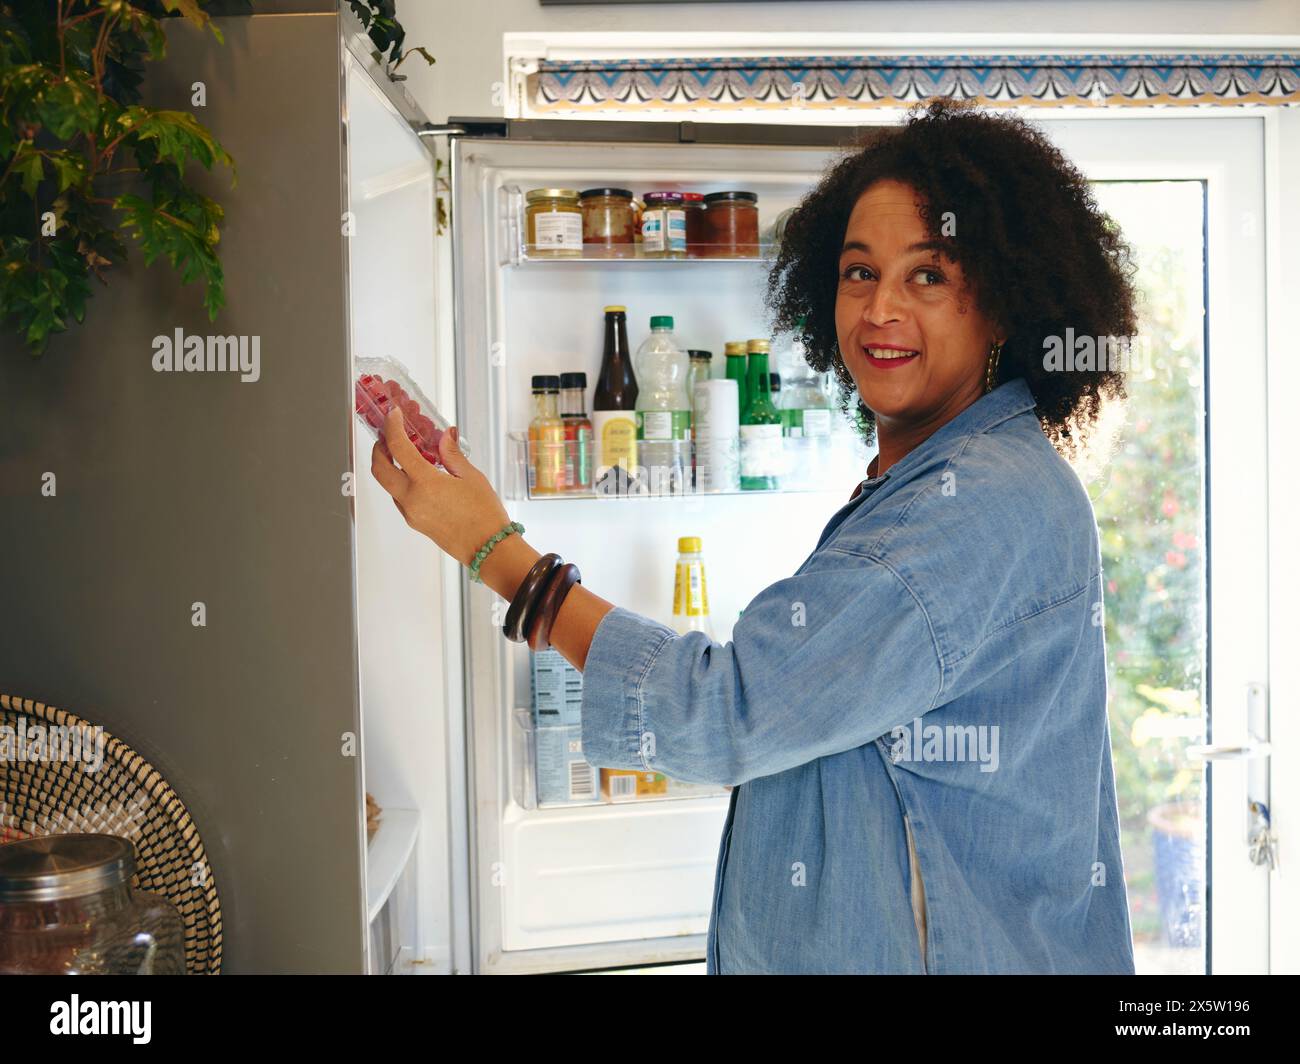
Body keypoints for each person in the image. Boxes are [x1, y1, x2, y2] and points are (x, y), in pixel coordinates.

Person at [369, 98, 1138, 974]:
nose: (880, 309)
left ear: (1003, 303)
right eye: (858, 272)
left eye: (929, 275)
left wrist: (499, 556)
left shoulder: (979, 503)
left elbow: (728, 712)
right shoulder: (945, 471)